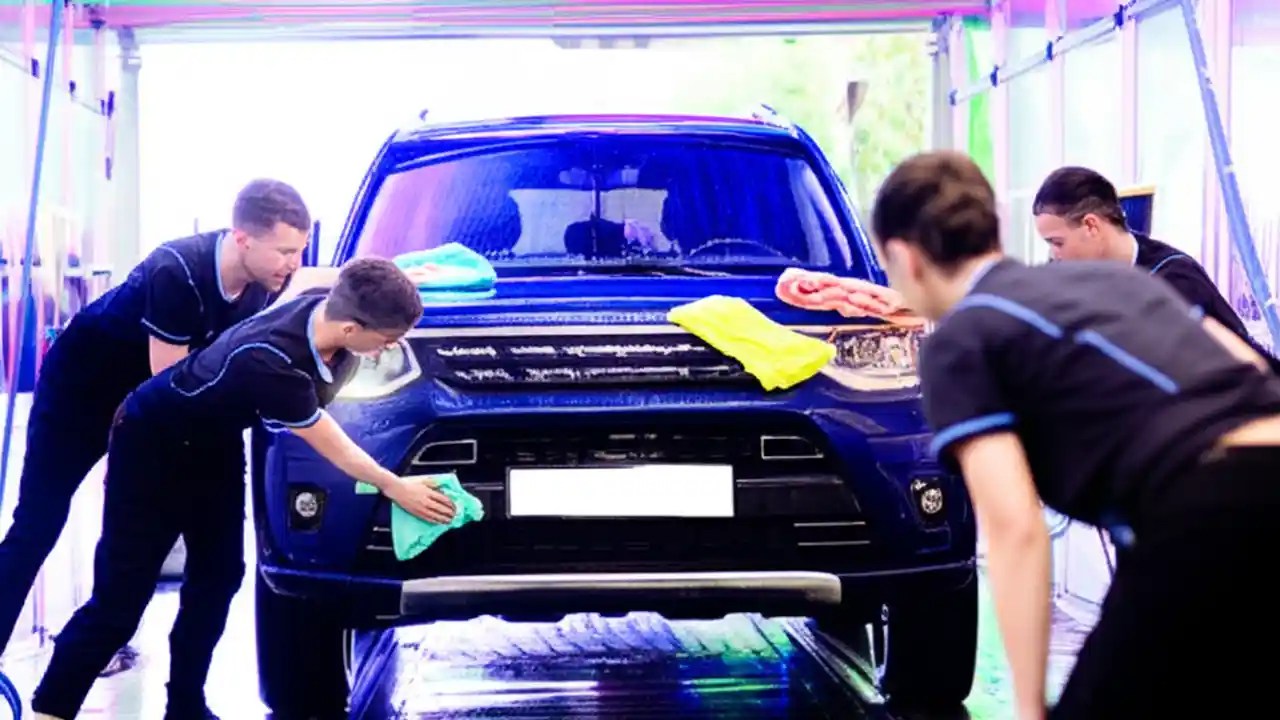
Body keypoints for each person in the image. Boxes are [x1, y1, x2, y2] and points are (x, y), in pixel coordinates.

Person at [871, 150, 1280, 719]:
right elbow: (1253, 369)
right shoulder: (1116, 280)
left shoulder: (959, 341)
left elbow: (1015, 528)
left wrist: (1028, 706)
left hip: (1208, 505)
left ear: (903, 257)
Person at [28, 257, 457, 720]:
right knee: (121, 599)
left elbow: (310, 277)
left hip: (213, 441)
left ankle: (186, 706)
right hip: (150, 444)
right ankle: (51, 709)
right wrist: (397, 487)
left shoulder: (324, 310)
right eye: (388, 339)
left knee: (220, 577)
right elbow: (332, 445)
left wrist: (399, 274)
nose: (390, 348)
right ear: (352, 328)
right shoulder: (270, 361)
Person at [0, 179, 312, 669]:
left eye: (300, 251)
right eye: (286, 251)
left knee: (179, 549)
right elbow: (171, 392)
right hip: (82, 397)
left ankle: (126, 659)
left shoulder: (263, 282)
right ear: (243, 238)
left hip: (152, 402)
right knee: (38, 524)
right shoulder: (177, 271)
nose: (294, 264)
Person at [1032, 165, 1279, 372]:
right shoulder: (1068, 282)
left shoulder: (1176, 283)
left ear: (1091, 226)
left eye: (1057, 243)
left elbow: (1241, 367)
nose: (1055, 255)